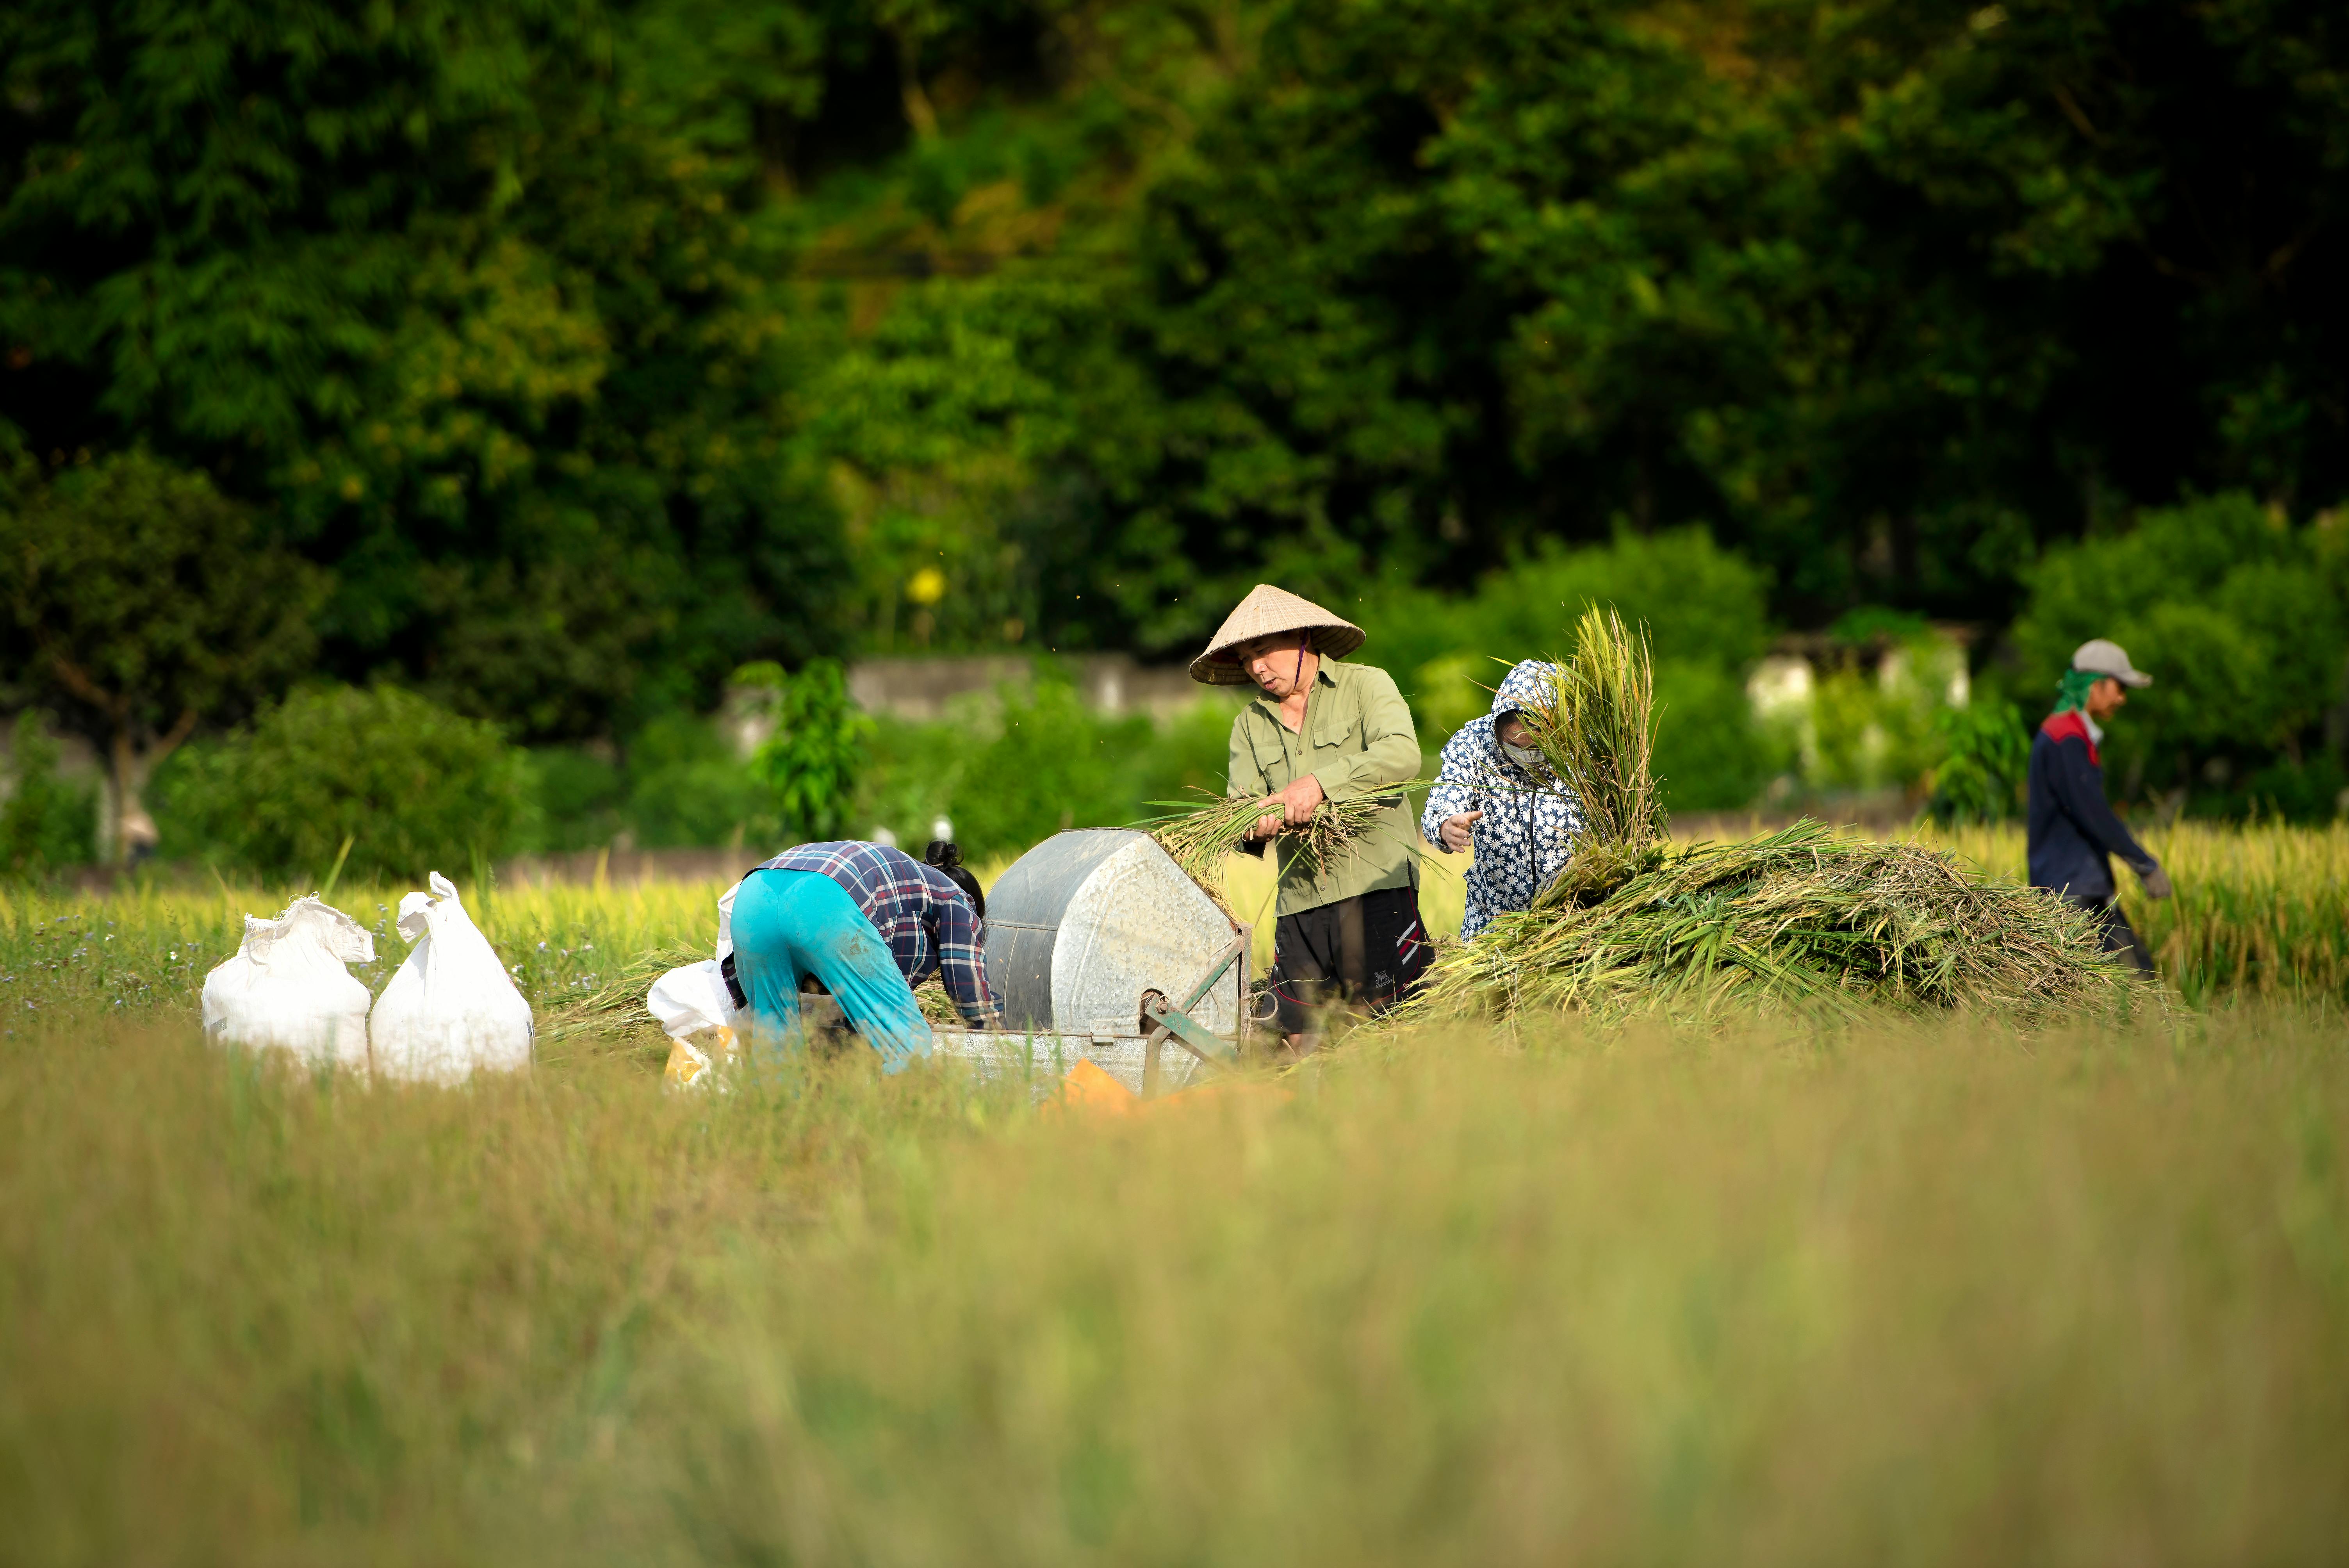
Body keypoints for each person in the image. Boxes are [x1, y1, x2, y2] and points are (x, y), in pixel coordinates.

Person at [1189, 583, 1431, 1054]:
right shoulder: (1250, 723)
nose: (1256, 667)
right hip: (1299, 899)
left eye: (1262, 651)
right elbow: (1240, 803)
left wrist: (1319, 784)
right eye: (1245, 659)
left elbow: (1403, 755)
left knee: (1385, 1026)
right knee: (1300, 1037)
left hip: (1374, 886)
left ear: (1302, 638)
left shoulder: (1366, 685)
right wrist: (1249, 822)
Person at [718, 837, 1000, 1071]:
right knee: (907, 1046)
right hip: (824, 898)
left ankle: (776, 1132)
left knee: (774, 1047)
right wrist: (994, 1037)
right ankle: (902, 1133)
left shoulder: (907, 885)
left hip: (755, 894)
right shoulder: (956, 898)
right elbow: (967, 980)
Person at [2027, 638, 2173, 974]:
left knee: (2135, 979)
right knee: (2134, 981)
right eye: (2119, 688)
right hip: (2070, 892)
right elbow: (2093, 812)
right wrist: (2144, 863)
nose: (2122, 699)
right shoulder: (2067, 739)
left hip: (2078, 884)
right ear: (2095, 686)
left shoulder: (2068, 734)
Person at [1422, 660, 1584, 939]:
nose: (1526, 753)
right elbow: (1445, 797)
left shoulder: (1586, 746)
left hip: (1574, 922)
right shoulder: (1474, 744)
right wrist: (1445, 825)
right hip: (1492, 923)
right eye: (1515, 745)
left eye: (1535, 745)